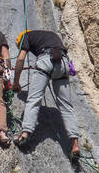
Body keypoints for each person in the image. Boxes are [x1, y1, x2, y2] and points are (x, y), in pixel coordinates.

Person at [12, 28, 80, 164]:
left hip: (46, 61)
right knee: (66, 106)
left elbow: (20, 59)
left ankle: (25, 133)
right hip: (63, 63)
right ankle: (75, 144)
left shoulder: (25, 35)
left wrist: (16, 82)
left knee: (33, 99)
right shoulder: (51, 35)